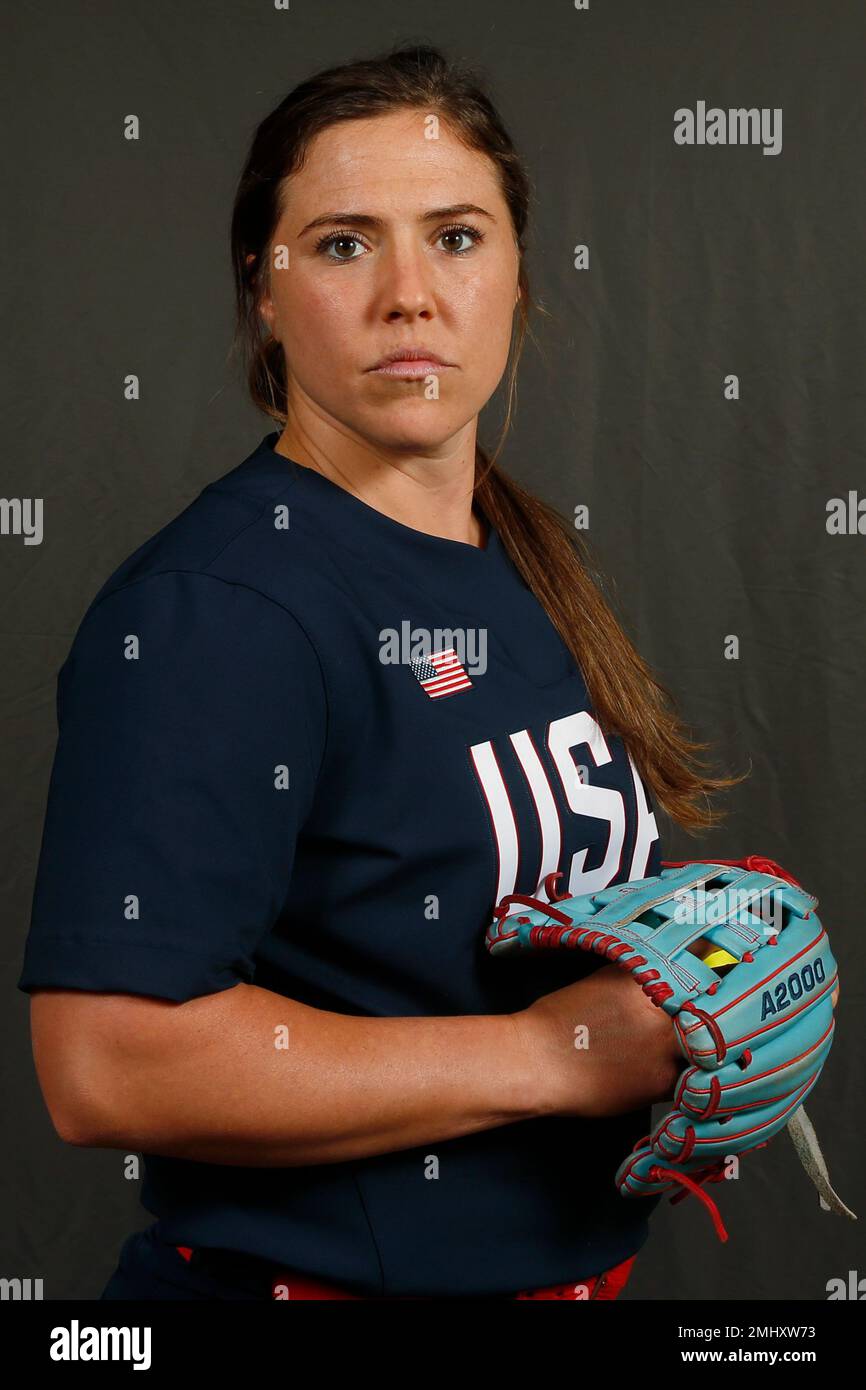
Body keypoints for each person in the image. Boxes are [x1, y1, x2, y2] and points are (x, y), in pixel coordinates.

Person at [18, 43, 744, 1301]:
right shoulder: (220, 608)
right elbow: (110, 1063)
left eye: (455, 237)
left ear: (518, 275)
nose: (410, 294)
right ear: (263, 286)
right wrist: (555, 1055)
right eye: (345, 243)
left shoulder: (515, 557)